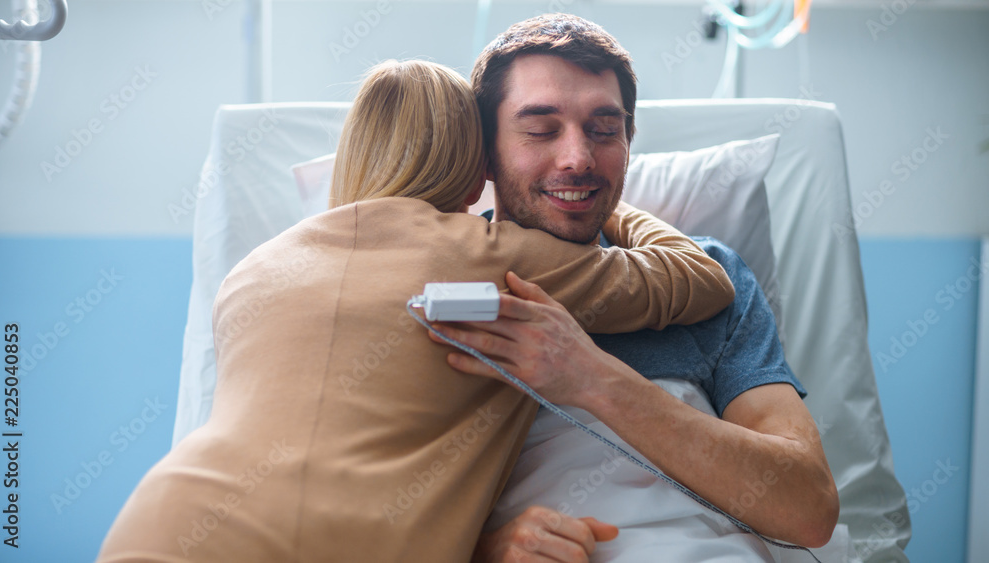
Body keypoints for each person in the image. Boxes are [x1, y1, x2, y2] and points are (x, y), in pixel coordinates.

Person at [96, 60, 736, 562]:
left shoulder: (250, 271)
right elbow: (699, 279)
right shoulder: (491, 252)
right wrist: (596, 192)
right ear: (474, 175)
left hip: (167, 522)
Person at [427, 14, 841, 562]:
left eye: (604, 129)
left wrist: (590, 376)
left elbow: (808, 508)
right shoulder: (442, 287)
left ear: (628, 141)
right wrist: (483, 551)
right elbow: (352, 509)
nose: (578, 158)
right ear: (484, 152)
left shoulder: (710, 284)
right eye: (541, 128)